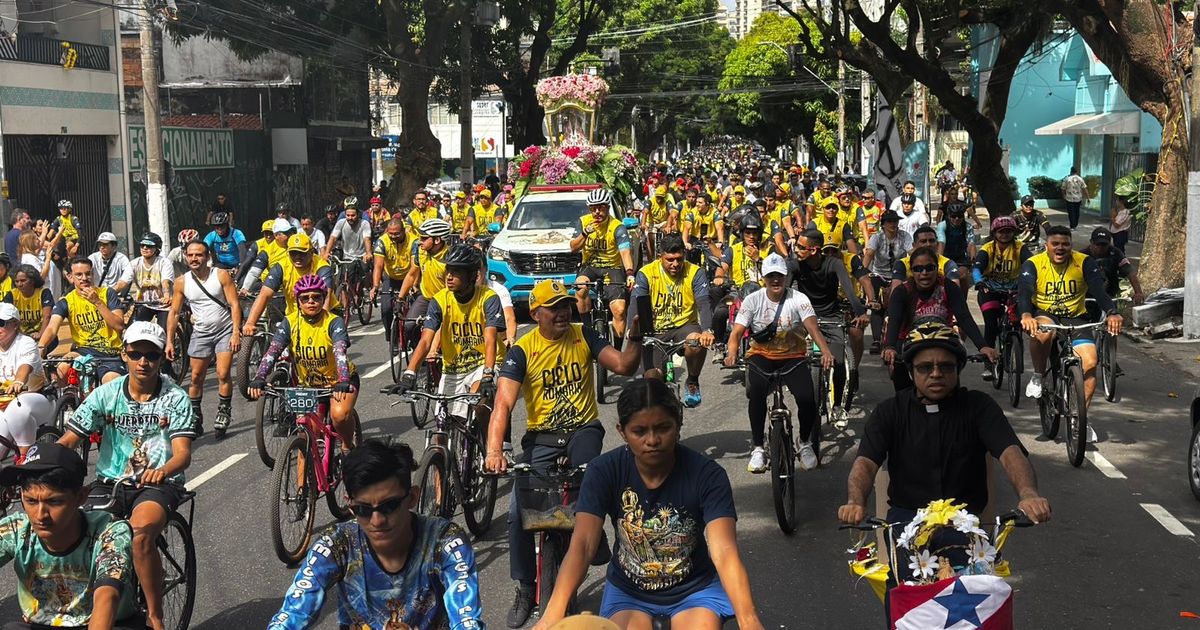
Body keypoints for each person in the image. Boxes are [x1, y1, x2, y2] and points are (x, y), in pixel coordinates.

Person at [533, 379, 766, 630]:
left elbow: (724, 552)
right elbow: (583, 545)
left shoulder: (708, 475)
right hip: (628, 592)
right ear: (622, 432)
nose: (652, 440)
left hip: (694, 590)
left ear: (678, 425)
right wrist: (550, 616)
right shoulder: (603, 471)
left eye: (663, 428)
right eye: (639, 431)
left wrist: (749, 620)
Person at [836, 322, 1052, 592]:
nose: (936, 374)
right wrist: (855, 501)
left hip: (967, 524)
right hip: (906, 524)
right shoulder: (890, 412)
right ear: (911, 371)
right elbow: (865, 463)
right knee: (905, 606)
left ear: (958, 369)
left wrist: (1029, 493)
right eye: (925, 367)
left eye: (946, 367)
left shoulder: (979, 407)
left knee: (975, 605)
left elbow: (1010, 453)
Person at [484, 278, 642, 628]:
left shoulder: (583, 334)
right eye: (554, 307)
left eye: (565, 305)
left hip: (582, 430)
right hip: (541, 437)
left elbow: (624, 366)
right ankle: (526, 587)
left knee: (592, 480)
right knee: (516, 511)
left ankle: (601, 538)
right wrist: (494, 449)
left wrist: (634, 335)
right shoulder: (522, 350)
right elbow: (502, 404)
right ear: (535, 312)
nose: (562, 312)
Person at [58, 321, 196, 630]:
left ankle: (156, 618)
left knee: (139, 536)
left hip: (157, 484)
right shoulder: (105, 394)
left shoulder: (176, 398)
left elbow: (183, 453)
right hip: (110, 482)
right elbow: (70, 439)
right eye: (135, 354)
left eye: (152, 355)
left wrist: (161, 471)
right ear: (124, 355)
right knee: (74, 533)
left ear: (163, 358)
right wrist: (47, 464)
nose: (143, 362)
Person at [267, 439, 484, 629]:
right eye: (363, 509)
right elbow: (293, 613)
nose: (377, 520)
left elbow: (466, 619)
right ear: (350, 506)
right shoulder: (337, 544)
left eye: (389, 506)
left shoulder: (445, 541)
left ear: (412, 498)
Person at [0, 442, 143, 630]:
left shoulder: (109, 533)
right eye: (31, 501)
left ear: (81, 496)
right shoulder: (16, 530)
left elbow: (107, 596)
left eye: (55, 501)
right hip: (45, 622)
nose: (40, 514)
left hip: (109, 622)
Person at [723, 254, 834, 473]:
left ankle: (803, 442)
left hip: (793, 358)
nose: (776, 280)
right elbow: (736, 333)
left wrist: (826, 351)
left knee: (806, 398)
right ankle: (757, 447)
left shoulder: (798, 299)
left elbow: (812, 327)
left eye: (780, 276)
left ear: (786, 277)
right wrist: (731, 354)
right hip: (761, 357)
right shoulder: (753, 299)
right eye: (771, 276)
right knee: (755, 394)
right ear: (764, 277)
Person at [249, 274, 359, 452]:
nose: (311, 302)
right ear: (298, 301)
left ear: (324, 299)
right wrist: (260, 376)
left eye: (317, 297)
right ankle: (302, 481)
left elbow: (340, 352)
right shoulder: (289, 322)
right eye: (305, 298)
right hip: (309, 386)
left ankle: (348, 445)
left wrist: (343, 380)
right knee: (307, 438)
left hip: (338, 383)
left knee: (338, 416)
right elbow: (273, 351)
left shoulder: (334, 321)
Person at [395, 244, 503, 420]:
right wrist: (410, 373)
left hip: (483, 365)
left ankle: (489, 444)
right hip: (453, 369)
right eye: (448, 271)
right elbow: (425, 341)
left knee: (480, 407)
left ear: (472, 276)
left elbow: (490, 339)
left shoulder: (489, 298)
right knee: (442, 427)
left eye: (457, 272)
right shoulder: (439, 300)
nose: (449, 277)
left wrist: (488, 375)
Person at [1019, 226, 1122, 409]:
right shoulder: (1033, 263)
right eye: (1055, 244)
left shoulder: (1084, 262)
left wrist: (1112, 312)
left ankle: (1079, 418)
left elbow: (1098, 291)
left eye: (1065, 244)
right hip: (1046, 313)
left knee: (1090, 364)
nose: (1060, 248)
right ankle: (1038, 376)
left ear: (1071, 246)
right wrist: (1026, 315)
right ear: (1046, 245)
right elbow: (1025, 290)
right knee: (1043, 333)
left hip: (1076, 316)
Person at [882, 247, 996, 391]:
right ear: (911, 271)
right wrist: (890, 347)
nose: (924, 273)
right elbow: (895, 320)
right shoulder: (902, 291)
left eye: (930, 268)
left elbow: (964, 316)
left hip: (942, 342)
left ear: (937, 269)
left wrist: (982, 346)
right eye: (918, 269)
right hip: (908, 344)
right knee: (902, 391)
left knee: (954, 385)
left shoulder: (948, 287)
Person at [167, 240, 242, 438]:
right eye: (190, 255)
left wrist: (236, 332)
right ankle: (196, 416)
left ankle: (224, 411)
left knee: (223, 372)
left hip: (224, 330)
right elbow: (174, 312)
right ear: (185, 257)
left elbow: (234, 304)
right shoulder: (182, 282)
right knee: (195, 377)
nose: (194, 258)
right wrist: (169, 340)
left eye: (199, 254)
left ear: (207, 257)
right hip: (201, 333)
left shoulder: (220, 275)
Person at [628, 234, 713, 407]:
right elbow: (635, 304)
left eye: (679, 259)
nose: (675, 264)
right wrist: (632, 331)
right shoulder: (646, 273)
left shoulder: (696, 272)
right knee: (653, 378)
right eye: (670, 259)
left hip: (685, 326)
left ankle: (692, 381)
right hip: (655, 330)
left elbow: (704, 304)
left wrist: (707, 330)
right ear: (660, 257)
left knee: (696, 342)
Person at [791, 231, 870, 415]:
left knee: (839, 362)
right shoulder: (794, 265)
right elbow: (786, 291)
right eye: (797, 246)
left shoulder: (834, 264)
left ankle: (836, 406)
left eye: (801, 247)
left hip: (831, 317)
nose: (796, 250)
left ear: (814, 250)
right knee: (794, 358)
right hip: (805, 317)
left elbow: (850, 291)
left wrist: (861, 312)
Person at [39, 257, 127, 384]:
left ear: (93, 274)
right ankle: (67, 401)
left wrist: (97, 302)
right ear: (70, 277)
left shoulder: (107, 293)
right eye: (79, 275)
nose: (84, 278)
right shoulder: (66, 301)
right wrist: (41, 348)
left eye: (88, 274)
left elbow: (119, 326)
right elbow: (52, 328)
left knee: (111, 381)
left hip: (110, 353)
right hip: (83, 350)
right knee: (61, 370)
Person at [972, 216, 1032, 379]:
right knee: (991, 323)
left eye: (1009, 231)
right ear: (994, 233)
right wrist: (979, 282)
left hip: (1014, 290)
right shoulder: (987, 249)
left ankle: (1016, 347)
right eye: (1001, 231)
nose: (1005, 235)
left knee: (1020, 319)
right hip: (989, 289)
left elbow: (1031, 265)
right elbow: (977, 269)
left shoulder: (1020, 248)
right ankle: (988, 363)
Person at [572, 188, 636, 340]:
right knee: (580, 288)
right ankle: (587, 329)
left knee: (619, 310)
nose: (597, 212)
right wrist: (584, 234)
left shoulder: (617, 227)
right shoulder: (583, 222)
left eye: (601, 207)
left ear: (607, 207)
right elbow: (573, 247)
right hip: (590, 266)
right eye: (593, 208)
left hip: (612, 268)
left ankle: (618, 351)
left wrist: (629, 274)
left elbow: (625, 252)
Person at [0, 302, 50, 461]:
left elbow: (24, 367)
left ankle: (25, 456)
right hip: (3, 404)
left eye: (1, 323)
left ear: (15, 324)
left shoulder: (26, 343)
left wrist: (18, 382)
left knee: (17, 408)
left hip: (36, 399)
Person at [861, 211, 912, 353]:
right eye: (889, 221)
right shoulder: (877, 237)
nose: (893, 224)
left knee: (902, 304)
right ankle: (877, 340)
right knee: (876, 306)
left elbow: (911, 253)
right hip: (880, 275)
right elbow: (869, 254)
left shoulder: (904, 236)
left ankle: (900, 336)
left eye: (895, 221)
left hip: (900, 275)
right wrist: (862, 274)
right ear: (883, 224)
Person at [397, 218, 451, 346]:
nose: (420, 242)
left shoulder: (450, 258)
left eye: (424, 238)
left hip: (446, 301)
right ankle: (420, 354)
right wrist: (400, 298)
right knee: (409, 326)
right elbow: (411, 275)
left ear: (437, 240)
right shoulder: (420, 251)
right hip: (426, 298)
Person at [370, 217, 413, 342]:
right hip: (391, 277)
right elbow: (378, 266)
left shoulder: (414, 241)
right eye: (391, 234)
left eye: (397, 234)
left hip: (409, 277)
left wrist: (414, 285)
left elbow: (416, 268)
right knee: (386, 309)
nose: (393, 237)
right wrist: (375, 286)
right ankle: (392, 337)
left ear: (404, 231)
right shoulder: (382, 242)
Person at [322, 201, 374, 293]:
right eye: (348, 215)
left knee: (365, 273)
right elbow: (333, 238)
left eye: (353, 215)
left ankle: (367, 290)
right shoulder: (341, 223)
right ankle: (346, 306)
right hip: (347, 257)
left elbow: (367, 239)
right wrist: (326, 252)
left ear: (358, 215)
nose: (350, 218)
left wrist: (368, 253)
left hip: (361, 256)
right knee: (344, 280)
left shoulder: (364, 224)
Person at [6, 264, 55, 353]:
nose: (19, 284)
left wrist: (41, 334)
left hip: (40, 333)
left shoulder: (43, 293)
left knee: (50, 340)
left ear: (32, 281)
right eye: (16, 281)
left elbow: (47, 316)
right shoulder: (12, 295)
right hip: (20, 334)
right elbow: (6, 316)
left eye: (23, 280)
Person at [130, 233, 174, 330]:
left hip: (163, 305)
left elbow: (165, 282)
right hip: (144, 303)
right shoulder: (134, 263)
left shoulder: (164, 263)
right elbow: (123, 282)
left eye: (149, 246)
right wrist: (112, 292)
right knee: (135, 330)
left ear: (157, 248)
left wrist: (166, 295)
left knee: (162, 332)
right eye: (142, 245)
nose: (145, 248)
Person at [240, 219, 296, 293]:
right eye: (286, 233)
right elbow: (254, 272)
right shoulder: (267, 252)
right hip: (276, 291)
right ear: (276, 235)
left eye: (291, 232)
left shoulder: (296, 244)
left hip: (298, 289)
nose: (290, 235)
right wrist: (245, 288)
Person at [935, 202, 978, 295]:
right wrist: (939, 260)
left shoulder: (967, 226)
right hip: (946, 256)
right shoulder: (942, 225)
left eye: (960, 216)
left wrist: (973, 258)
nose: (957, 219)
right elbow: (941, 242)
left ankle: (962, 301)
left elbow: (971, 243)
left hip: (961, 258)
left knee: (962, 277)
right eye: (954, 216)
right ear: (949, 216)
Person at [19, 229, 62, 300]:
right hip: (41, 295)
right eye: (36, 239)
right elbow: (41, 277)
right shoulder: (30, 259)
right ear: (30, 242)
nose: (39, 240)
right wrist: (48, 259)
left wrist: (44, 233)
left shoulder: (30, 256)